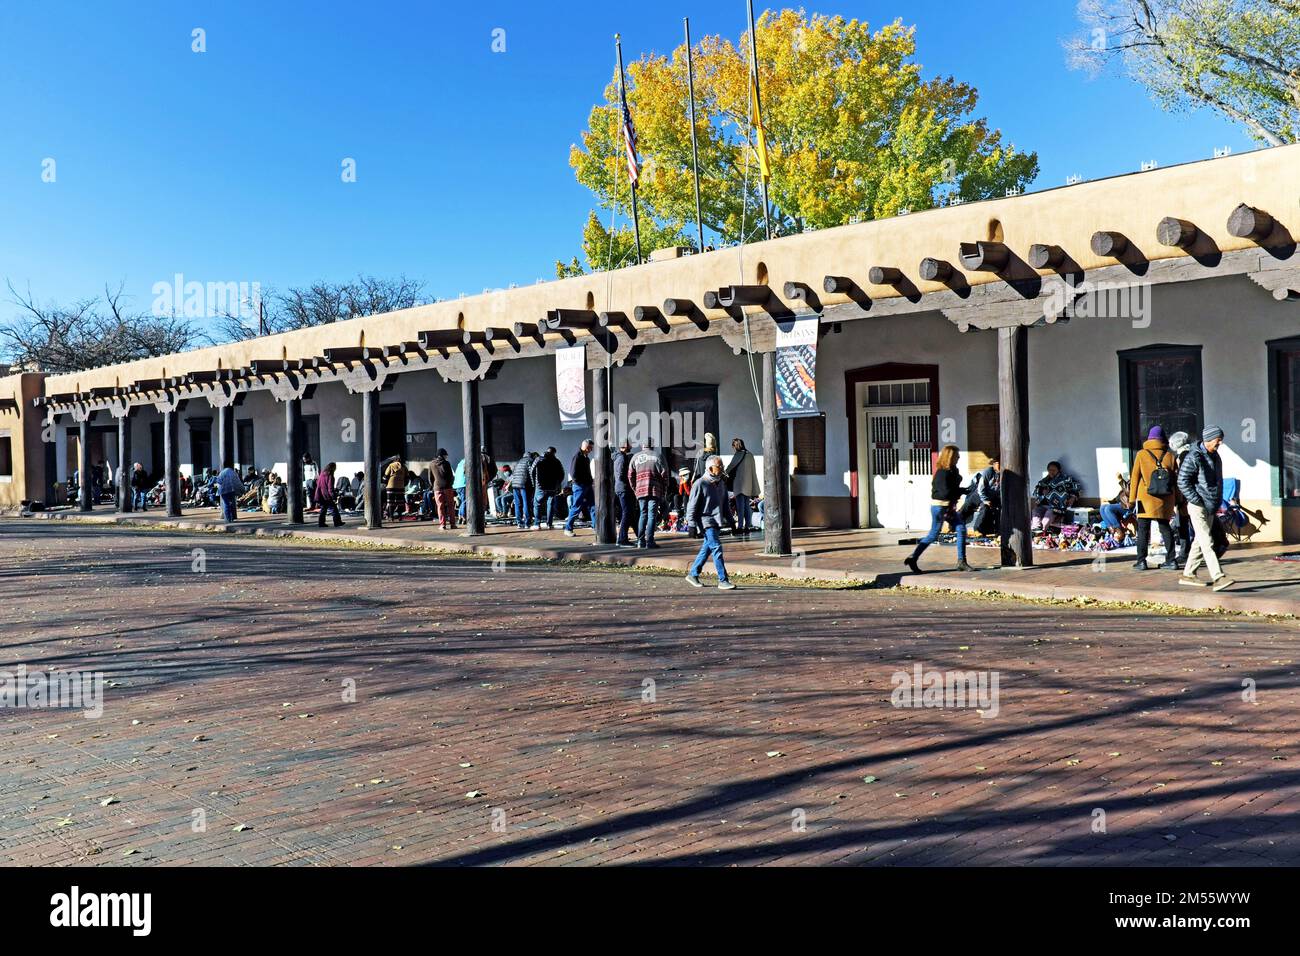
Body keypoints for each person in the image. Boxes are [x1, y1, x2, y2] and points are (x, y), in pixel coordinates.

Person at [1178, 425, 1233, 591]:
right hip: (1198, 506)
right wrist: (1196, 500)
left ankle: (1188, 574)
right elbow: (1182, 481)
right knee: (1207, 542)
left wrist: (1216, 502)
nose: (1220, 443)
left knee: (1199, 542)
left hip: (1210, 505)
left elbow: (1218, 481)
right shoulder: (1194, 456)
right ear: (1208, 439)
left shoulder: (1215, 456)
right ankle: (1218, 577)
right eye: (1218, 439)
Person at [904, 444, 973, 574]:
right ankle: (913, 558)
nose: (958, 457)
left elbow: (952, 489)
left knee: (961, 529)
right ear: (950, 457)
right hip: (940, 507)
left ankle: (961, 561)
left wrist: (964, 490)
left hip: (948, 507)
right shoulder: (942, 473)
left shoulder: (952, 470)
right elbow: (943, 493)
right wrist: (958, 492)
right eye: (956, 455)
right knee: (933, 534)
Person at [1129, 425, 1178, 570]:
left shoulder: (1141, 454)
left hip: (1145, 498)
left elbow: (1135, 478)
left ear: (1149, 439)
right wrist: (1178, 500)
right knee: (1165, 528)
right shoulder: (1170, 456)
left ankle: (1141, 561)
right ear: (1164, 440)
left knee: (1143, 529)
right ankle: (1171, 560)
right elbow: (1175, 481)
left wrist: (1132, 500)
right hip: (1165, 499)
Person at [685, 454, 736, 590]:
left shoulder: (721, 484)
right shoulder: (700, 483)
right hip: (706, 521)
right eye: (719, 466)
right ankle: (723, 580)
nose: (722, 468)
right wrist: (691, 525)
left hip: (717, 521)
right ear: (710, 468)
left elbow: (725, 505)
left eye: (722, 466)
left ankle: (693, 574)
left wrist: (732, 522)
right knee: (716, 548)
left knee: (707, 549)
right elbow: (691, 506)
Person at [631, 439, 668, 550]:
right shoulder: (658, 456)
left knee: (643, 514)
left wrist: (635, 488)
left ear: (643, 446)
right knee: (652, 515)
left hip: (640, 490)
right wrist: (664, 489)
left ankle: (640, 541)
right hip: (654, 490)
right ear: (652, 446)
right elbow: (664, 475)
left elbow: (630, 475)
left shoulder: (635, 457)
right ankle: (650, 542)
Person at [1031, 461, 1081, 532]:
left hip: (1057, 507)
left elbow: (1076, 487)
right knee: (1035, 512)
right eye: (1050, 470)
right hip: (1043, 505)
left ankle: (1041, 531)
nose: (1051, 472)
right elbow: (1036, 491)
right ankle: (1035, 530)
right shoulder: (1044, 481)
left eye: (1054, 470)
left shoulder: (1065, 479)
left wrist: (1073, 497)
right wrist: (1042, 491)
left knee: (1046, 518)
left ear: (1059, 470)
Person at [724, 438, 759, 538]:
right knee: (747, 506)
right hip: (748, 484)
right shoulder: (750, 455)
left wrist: (723, 474)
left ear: (735, 446)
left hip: (739, 484)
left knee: (740, 507)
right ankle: (747, 526)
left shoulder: (738, 455)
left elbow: (730, 467)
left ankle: (740, 527)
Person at [961, 456, 1001, 536]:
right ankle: (952, 523)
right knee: (967, 507)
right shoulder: (989, 472)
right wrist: (985, 499)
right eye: (999, 463)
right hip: (980, 494)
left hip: (991, 498)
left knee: (986, 508)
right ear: (994, 464)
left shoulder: (1002, 474)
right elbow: (981, 488)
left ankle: (978, 529)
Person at [564, 439, 595, 536]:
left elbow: (587, 473)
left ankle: (596, 527)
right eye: (590, 448)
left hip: (586, 485)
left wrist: (590, 481)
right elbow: (573, 473)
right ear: (586, 447)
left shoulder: (585, 458)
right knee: (576, 507)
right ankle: (568, 528)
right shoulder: (577, 457)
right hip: (580, 486)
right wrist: (581, 483)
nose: (591, 450)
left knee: (593, 506)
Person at [611, 439, 637, 547]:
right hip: (624, 489)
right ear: (625, 446)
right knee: (627, 513)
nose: (631, 446)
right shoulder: (621, 458)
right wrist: (630, 480)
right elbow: (620, 475)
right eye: (630, 444)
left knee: (630, 513)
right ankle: (622, 539)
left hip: (623, 488)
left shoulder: (620, 457)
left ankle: (638, 535)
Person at [534, 448, 565, 530]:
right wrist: (557, 484)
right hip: (552, 487)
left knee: (537, 505)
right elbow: (562, 474)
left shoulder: (539, 459)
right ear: (554, 453)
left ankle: (537, 524)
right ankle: (549, 524)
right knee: (550, 505)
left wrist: (535, 483)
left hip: (540, 487)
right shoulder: (557, 461)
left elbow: (532, 470)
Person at [432, 448, 457, 529]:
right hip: (448, 487)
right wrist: (450, 483)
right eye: (445, 455)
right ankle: (453, 524)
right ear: (442, 455)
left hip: (437, 488)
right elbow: (451, 476)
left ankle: (442, 525)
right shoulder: (446, 463)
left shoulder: (432, 464)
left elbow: (430, 478)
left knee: (440, 506)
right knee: (450, 506)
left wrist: (435, 485)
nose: (446, 457)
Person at [510, 452, 536, 529]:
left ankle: (519, 523)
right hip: (524, 484)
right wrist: (533, 485)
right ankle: (527, 523)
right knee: (526, 503)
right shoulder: (530, 461)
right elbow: (531, 474)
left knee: (517, 504)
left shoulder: (518, 462)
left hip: (515, 485)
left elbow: (513, 473)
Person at [382, 455, 408, 521]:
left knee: (391, 502)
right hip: (400, 486)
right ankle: (399, 516)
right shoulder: (404, 467)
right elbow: (407, 478)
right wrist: (403, 484)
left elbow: (386, 476)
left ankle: (391, 517)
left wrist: (385, 483)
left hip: (391, 486)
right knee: (400, 502)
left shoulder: (391, 465)